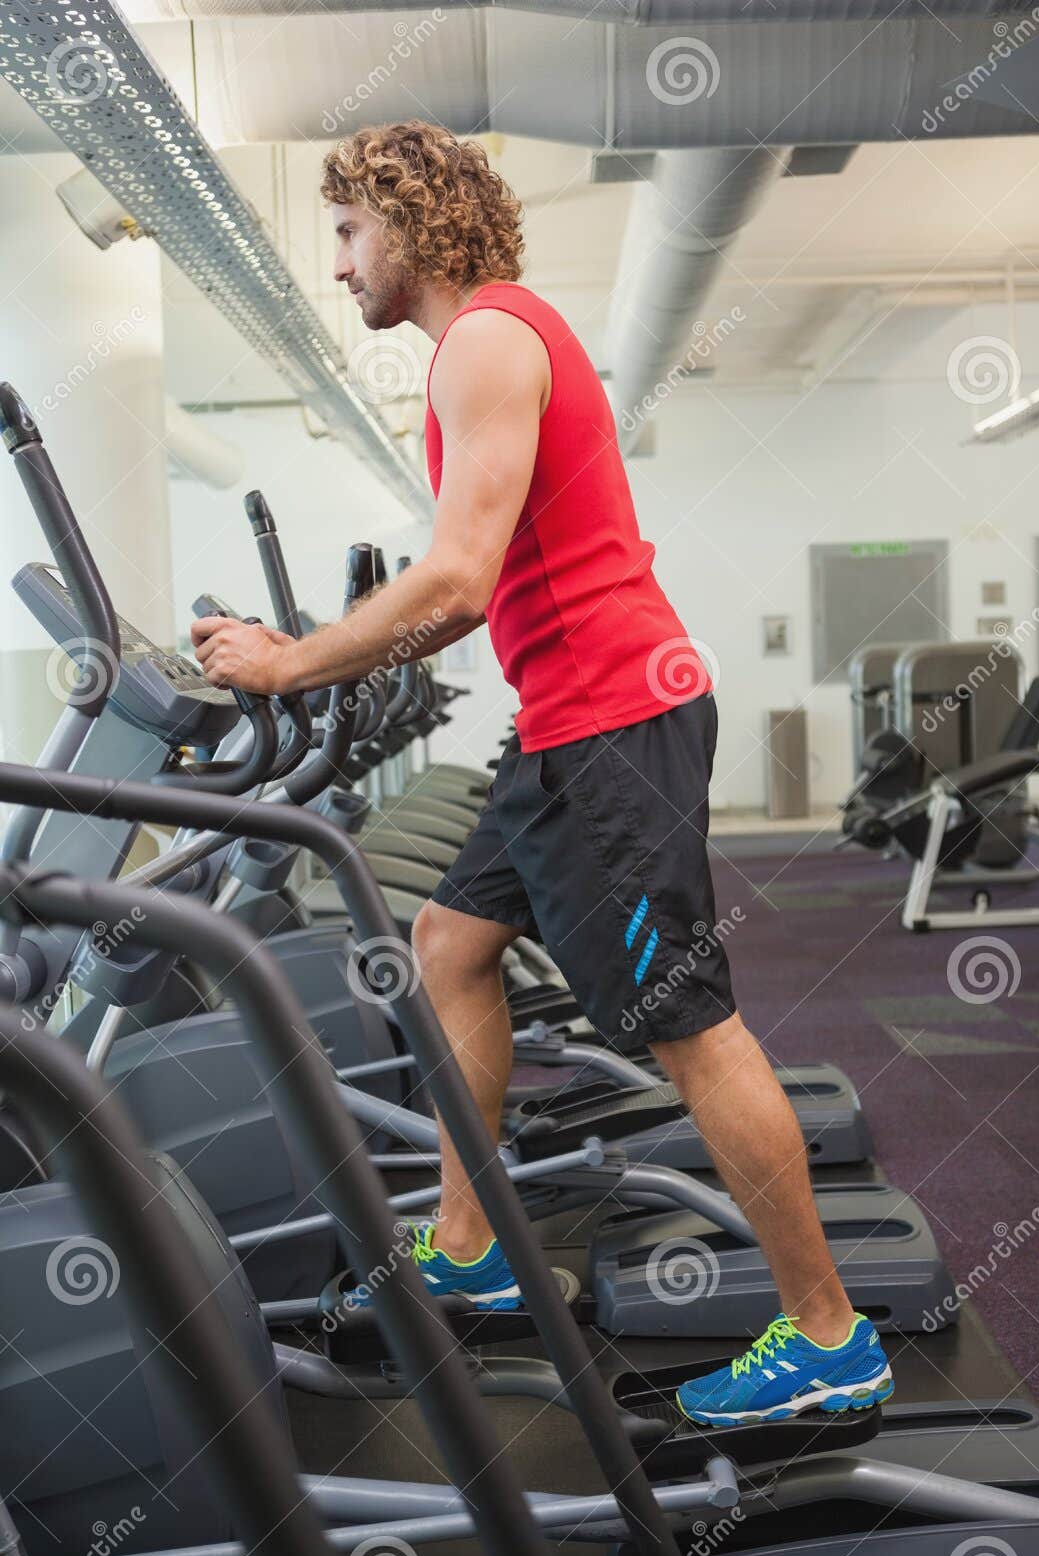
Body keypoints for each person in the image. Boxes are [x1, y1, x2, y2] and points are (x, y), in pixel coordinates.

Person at [192, 120, 892, 1427]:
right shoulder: (492, 347)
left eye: (348, 232)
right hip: (576, 721)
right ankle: (474, 1243)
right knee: (450, 942)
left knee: (689, 1032)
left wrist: (294, 665)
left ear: (407, 219)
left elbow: (458, 579)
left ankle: (828, 1333)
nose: (340, 266)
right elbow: (480, 575)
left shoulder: (489, 342)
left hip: (612, 726)